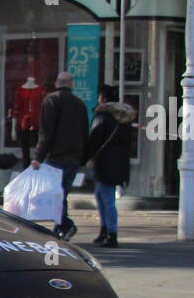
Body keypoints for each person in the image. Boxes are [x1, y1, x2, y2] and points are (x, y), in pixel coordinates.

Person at [30, 70, 89, 240]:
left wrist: (38, 156)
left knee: (56, 195)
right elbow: (85, 132)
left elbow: (46, 132)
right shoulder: (80, 104)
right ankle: (60, 228)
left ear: (57, 83)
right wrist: (82, 158)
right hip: (74, 157)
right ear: (71, 84)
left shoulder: (51, 100)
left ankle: (64, 224)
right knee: (62, 194)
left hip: (56, 157)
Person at [84, 84, 135, 248]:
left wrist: (84, 157)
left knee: (105, 199)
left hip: (104, 162)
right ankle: (105, 230)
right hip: (119, 163)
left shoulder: (103, 115)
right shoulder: (124, 117)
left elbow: (95, 139)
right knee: (103, 196)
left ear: (103, 99)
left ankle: (111, 233)